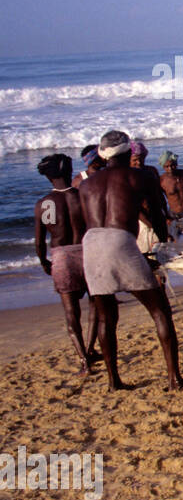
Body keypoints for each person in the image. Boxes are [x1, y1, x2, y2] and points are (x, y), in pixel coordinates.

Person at [78, 131, 183, 390]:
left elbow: (85, 220)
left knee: (106, 318)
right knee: (160, 311)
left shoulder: (85, 184)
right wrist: (163, 243)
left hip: (91, 244)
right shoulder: (140, 177)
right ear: (128, 153)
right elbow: (158, 214)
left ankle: (114, 381)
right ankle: (174, 379)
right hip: (121, 240)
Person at [34, 153, 99, 374]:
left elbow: (41, 240)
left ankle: (84, 361)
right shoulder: (81, 196)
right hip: (87, 252)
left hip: (61, 257)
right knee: (95, 306)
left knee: (71, 313)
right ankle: (91, 349)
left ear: (49, 178)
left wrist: (44, 261)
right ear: (69, 172)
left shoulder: (46, 204)